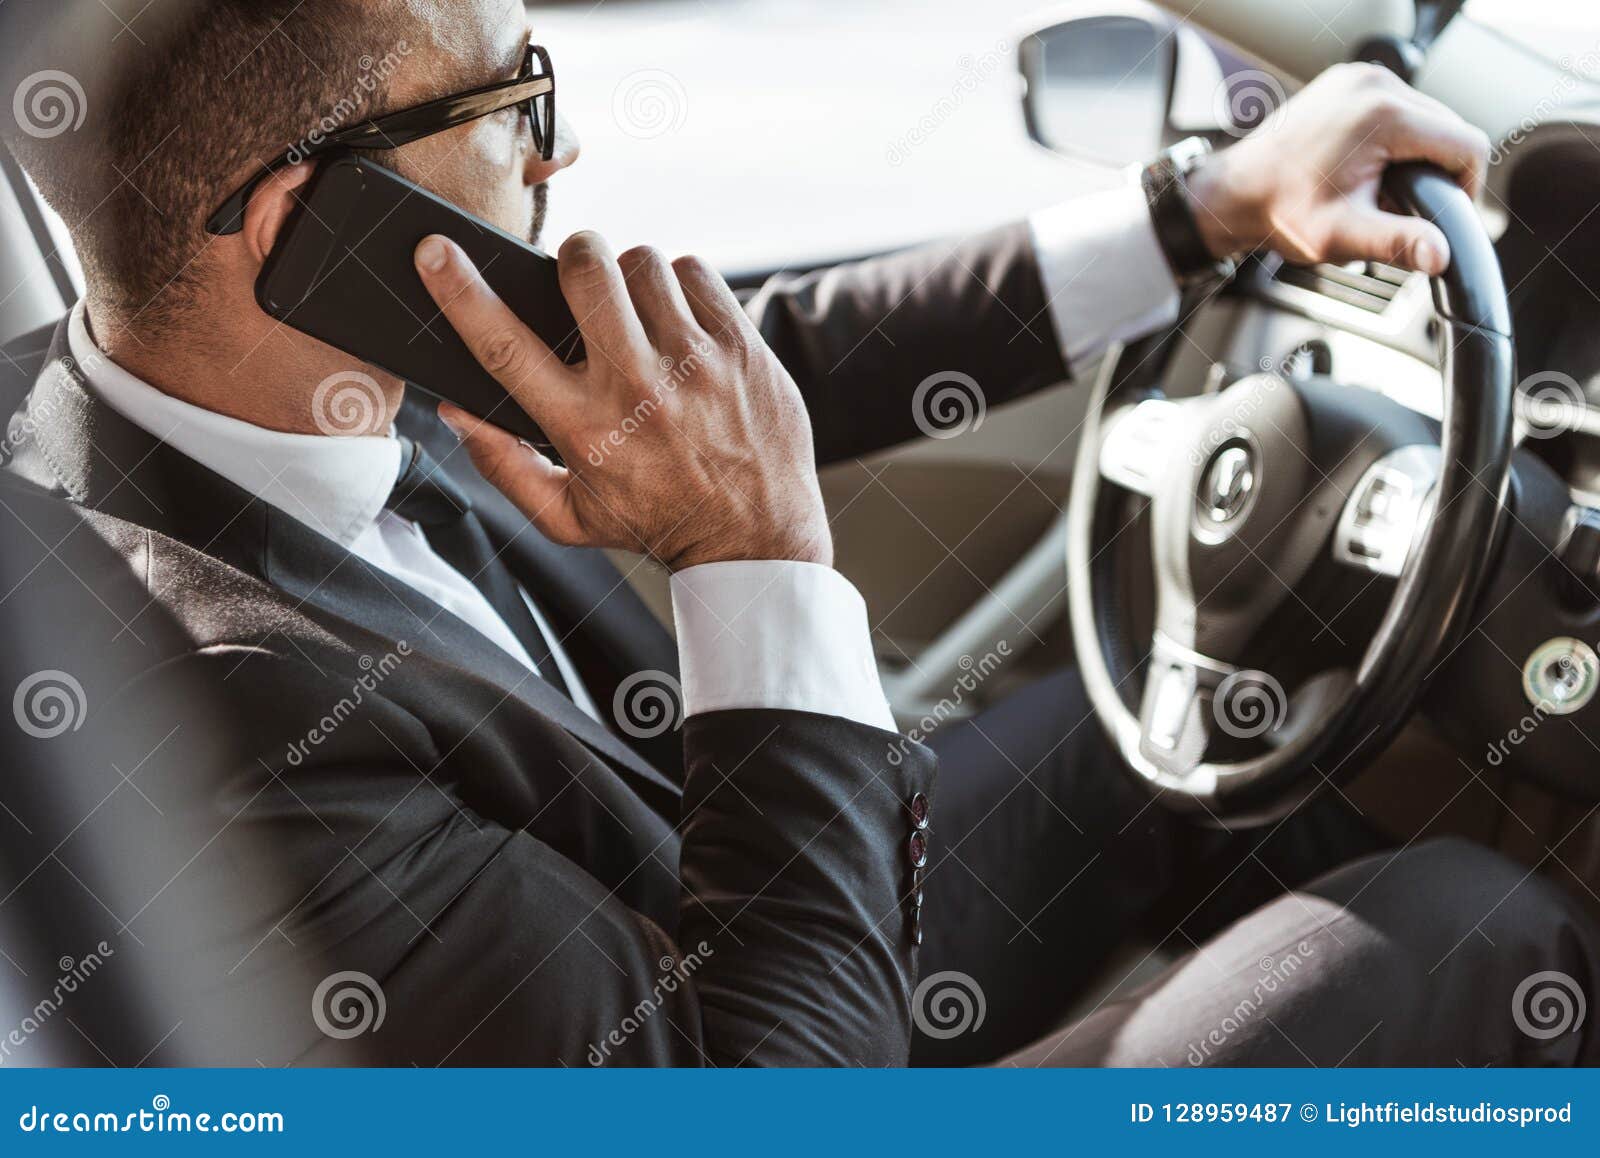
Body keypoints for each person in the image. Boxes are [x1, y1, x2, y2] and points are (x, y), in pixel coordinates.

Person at [0, 0, 1593, 1066]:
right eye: (513, 98)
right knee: (1470, 925)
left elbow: (762, 371)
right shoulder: (236, 740)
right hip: (774, 1049)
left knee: (1193, 738)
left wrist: (1199, 211)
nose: (559, 155)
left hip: (735, 911)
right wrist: (754, 557)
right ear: (311, 232)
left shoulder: (285, 368)